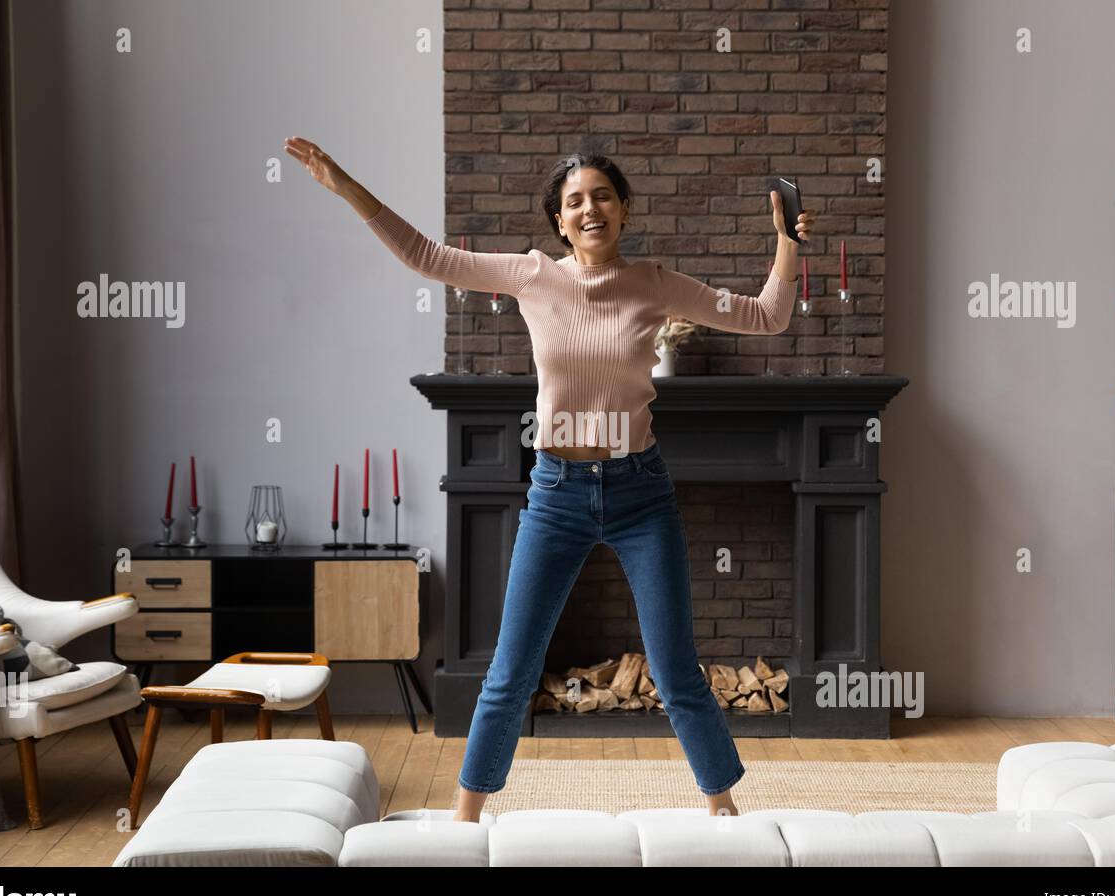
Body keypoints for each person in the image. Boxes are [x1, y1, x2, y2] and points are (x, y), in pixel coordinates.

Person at [285, 139, 814, 820]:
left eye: (601, 195)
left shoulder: (654, 282)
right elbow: (425, 256)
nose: (589, 207)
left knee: (678, 670)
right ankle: (466, 817)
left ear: (623, 209)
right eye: (574, 201)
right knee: (510, 670)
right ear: (559, 223)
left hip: (641, 494)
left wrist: (786, 243)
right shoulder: (533, 276)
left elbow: (766, 317)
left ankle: (722, 810)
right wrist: (345, 185)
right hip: (558, 494)